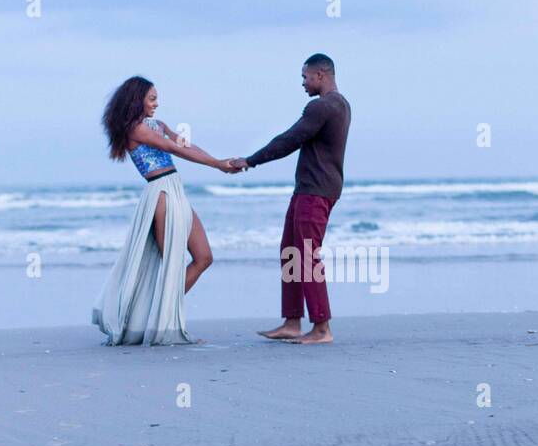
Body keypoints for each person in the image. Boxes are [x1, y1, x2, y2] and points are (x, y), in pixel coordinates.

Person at [92, 76, 240, 345]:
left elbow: (184, 145)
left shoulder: (158, 125)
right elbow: (171, 148)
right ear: (136, 100)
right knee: (171, 263)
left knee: (204, 257)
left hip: (176, 190)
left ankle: (159, 314)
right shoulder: (135, 129)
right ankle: (164, 325)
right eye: (152, 98)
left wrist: (220, 160)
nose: (157, 103)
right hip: (160, 192)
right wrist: (216, 165)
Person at [228, 53, 351, 345]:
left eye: (305, 77)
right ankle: (292, 322)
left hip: (316, 190)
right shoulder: (341, 104)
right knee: (289, 251)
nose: (303, 83)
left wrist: (250, 160)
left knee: (307, 255)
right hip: (308, 189)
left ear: (320, 74)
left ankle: (322, 329)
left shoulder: (322, 106)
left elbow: (289, 139)